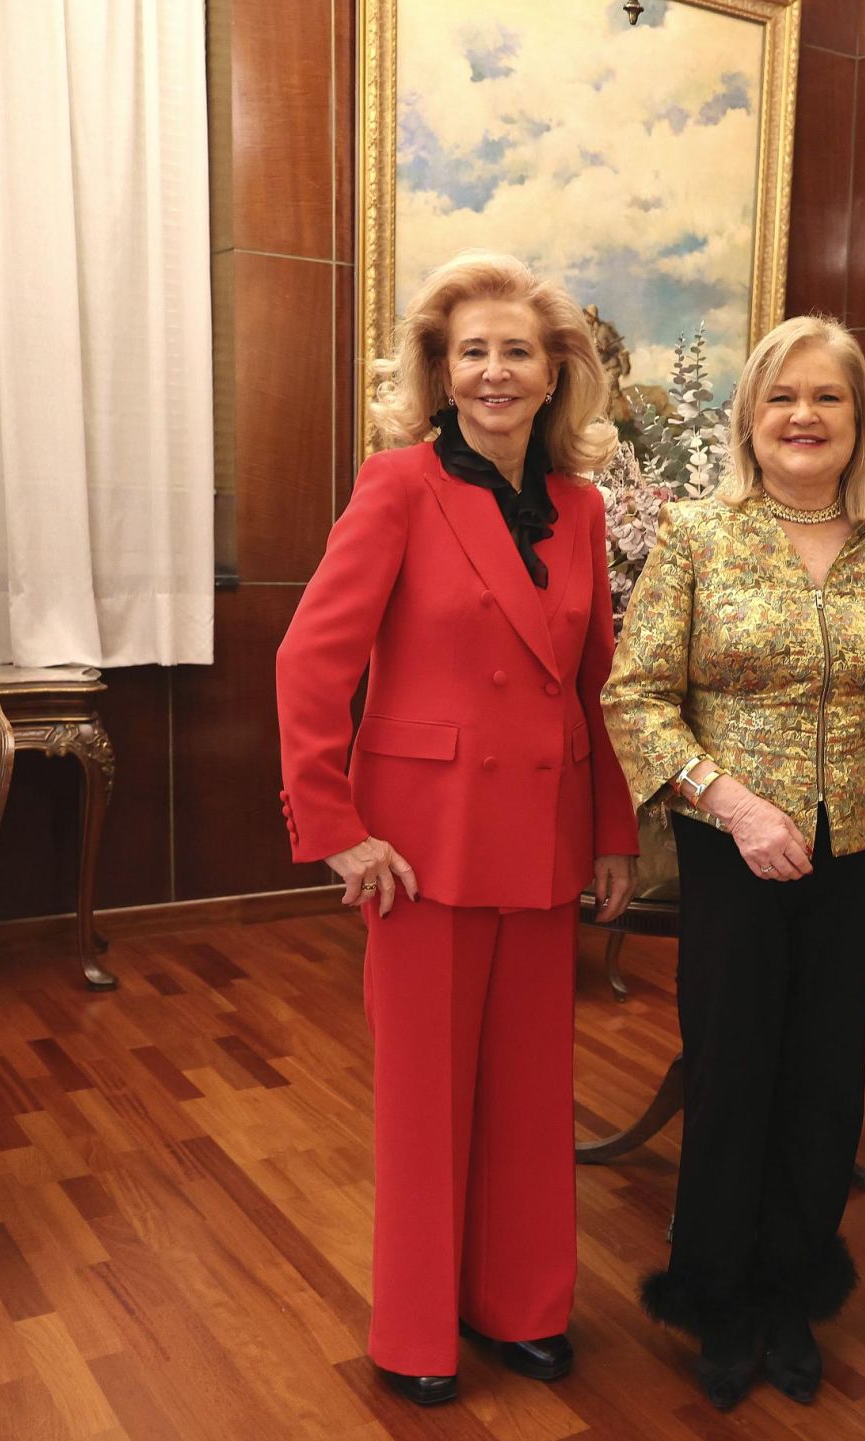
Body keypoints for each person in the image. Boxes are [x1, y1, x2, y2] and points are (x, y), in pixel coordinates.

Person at [275, 251, 638, 1406]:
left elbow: (595, 685)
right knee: (427, 1102)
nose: (494, 371)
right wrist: (334, 825)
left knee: (532, 1095)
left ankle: (522, 1304)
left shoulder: (579, 509)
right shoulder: (396, 484)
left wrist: (615, 832)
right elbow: (309, 661)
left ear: (553, 375)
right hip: (420, 848)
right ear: (439, 372)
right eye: (470, 350)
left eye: (516, 351)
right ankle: (418, 1327)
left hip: (540, 835)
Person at [605, 314, 865, 1411]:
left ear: (858, 421)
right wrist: (733, 802)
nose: (804, 416)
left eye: (828, 398)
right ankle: (714, 1293)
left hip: (860, 853)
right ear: (752, 416)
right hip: (733, 851)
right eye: (782, 396)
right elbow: (636, 696)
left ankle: (795, 1288)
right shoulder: (701, 535)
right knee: (734, 1069)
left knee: (826, 1081)